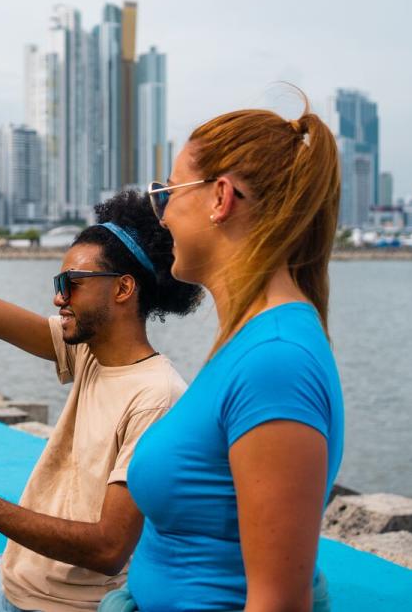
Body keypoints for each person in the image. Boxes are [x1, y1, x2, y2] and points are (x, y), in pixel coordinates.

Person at [0, 127, 203, 612]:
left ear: (122, 289)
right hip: (7, 586)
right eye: (59, 282)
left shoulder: (157, 396)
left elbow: (110, 547)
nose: (58, 296)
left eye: (71, 282)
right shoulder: (86, 351)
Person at [104, 102, 343, 612]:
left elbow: (277, 604)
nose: (161, 213)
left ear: (220, 198)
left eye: (167, 192)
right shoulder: (253, 341)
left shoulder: (275, 362)